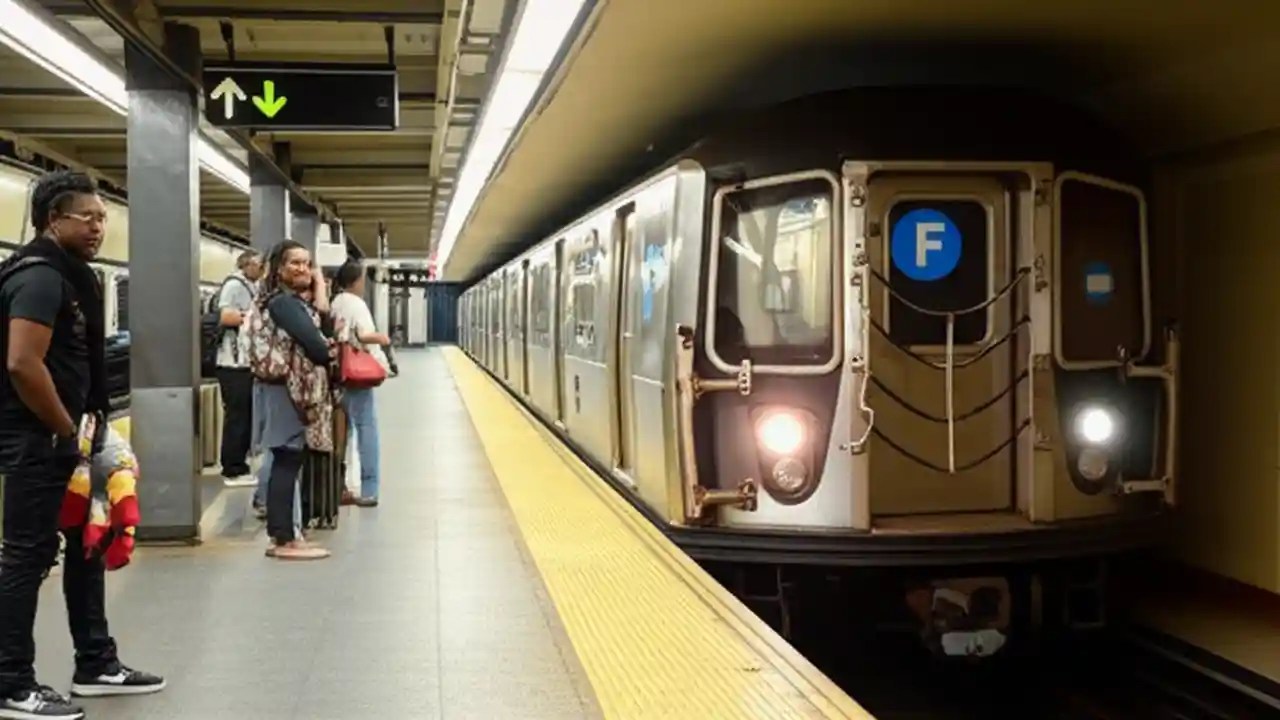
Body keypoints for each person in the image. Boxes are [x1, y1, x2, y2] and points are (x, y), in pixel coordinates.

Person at [0, 171, 161, 720]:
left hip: (75, 438)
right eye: (85, 216)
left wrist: (90, 433)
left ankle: (95, 661)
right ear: (52, 220)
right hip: (38, 440)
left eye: (102, 216)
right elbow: (22, 363)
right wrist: (67, 430)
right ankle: (10, 681)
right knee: (28, 555)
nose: (98, 226)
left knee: (88, 542)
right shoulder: (39, 278)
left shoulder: (78, 277)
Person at [244, 241, 338, 561]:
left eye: (308, 264)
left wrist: (321, 290)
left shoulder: (286, 302)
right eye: (295, 263)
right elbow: (318, 346)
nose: (303, 269)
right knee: (287, 458)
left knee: (288, 457)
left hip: (284, 389)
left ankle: (287, 534)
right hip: (285, 389)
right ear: (279, 269)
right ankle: (283, 538)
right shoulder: (283, 304)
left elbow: (320, 327)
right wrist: (329, 352)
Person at [330, 260, 390, 508]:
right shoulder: (356, 303)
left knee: (341, 434)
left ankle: (339, 486)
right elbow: (364, 335)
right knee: (367, 430)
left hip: (338, 375)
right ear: (356, 281)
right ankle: (369, 489)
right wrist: (383, 338)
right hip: (358, 376)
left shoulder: (335, 302)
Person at [215, 251, 263, 487]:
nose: (261, 268)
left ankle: (240, 462)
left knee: (245, 414)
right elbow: (226, 316)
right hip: (232, 363)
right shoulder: (234, 285)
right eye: (258, 264)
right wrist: (252, 317)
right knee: (237, 416)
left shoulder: (251, 286)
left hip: (243, 362)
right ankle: (232, 467)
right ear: (246, 264)